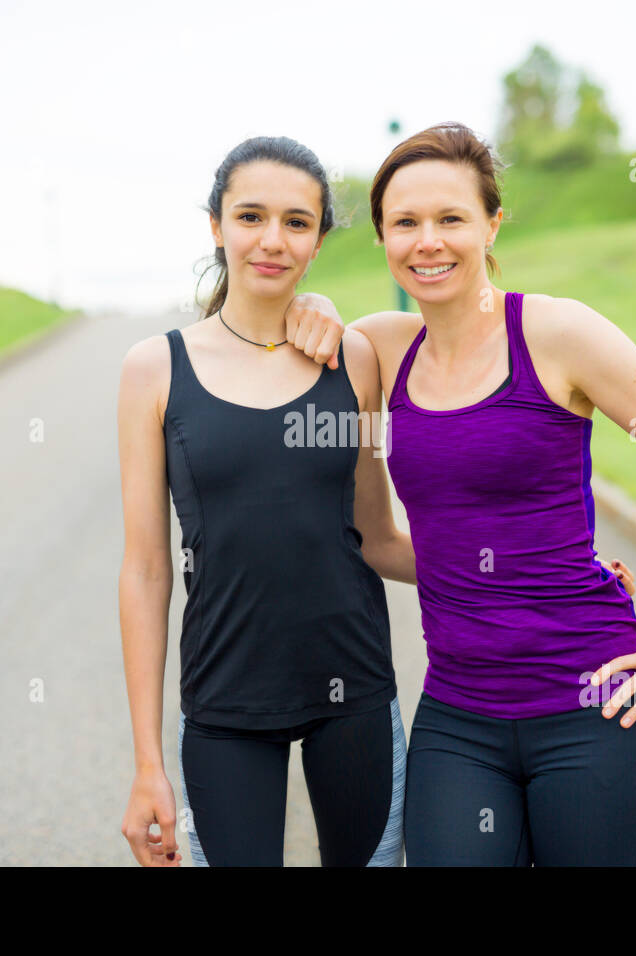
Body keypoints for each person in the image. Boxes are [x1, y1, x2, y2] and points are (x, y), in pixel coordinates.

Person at [290, 123, 636, 866]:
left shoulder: (557, 334)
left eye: (450, 219)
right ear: (381, 238)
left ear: (491, 224)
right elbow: (377, 541)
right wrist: (315, 305)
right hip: (458, 720)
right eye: (405, 223)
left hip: (594, 707)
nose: (427, 241)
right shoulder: (382, 348)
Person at [116, 135, 418, 867]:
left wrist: (533, 569)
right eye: (250, 217)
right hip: (224, 705)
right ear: (216, 227)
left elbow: (376, 532)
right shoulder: (154, 370)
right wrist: (147, 764)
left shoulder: (354, 359)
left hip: (356, 694)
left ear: (317, 241)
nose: (271, 240)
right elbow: (146, 571)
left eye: (296, 222)